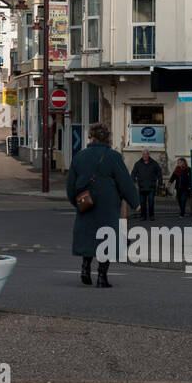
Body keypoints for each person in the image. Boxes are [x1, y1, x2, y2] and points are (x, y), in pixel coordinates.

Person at [68, 123, 139, 287]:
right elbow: (125, 182)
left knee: (88, 238)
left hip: (86, 203)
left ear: (91, 138)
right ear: (107, 138)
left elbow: (70, 185)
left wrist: (77, 202)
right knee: (106, 240)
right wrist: (135, 202)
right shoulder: (113, 156)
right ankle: (102, 277)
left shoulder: (80, 156)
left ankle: (85, 267)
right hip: (108, 205)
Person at [131, 150, 164, 221]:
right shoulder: (138, 163)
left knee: (151, 202)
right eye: (143, 154)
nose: (145, 156)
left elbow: (159, 173)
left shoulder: (154, 163)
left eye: (146, 154)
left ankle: (151, 215)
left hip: (151, 187)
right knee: (142, 203)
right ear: (142, 155)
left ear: (149, 155)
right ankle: (143, 216)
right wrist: (132, 181)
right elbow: (133, 173)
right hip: (142, 187)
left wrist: (160, 182)